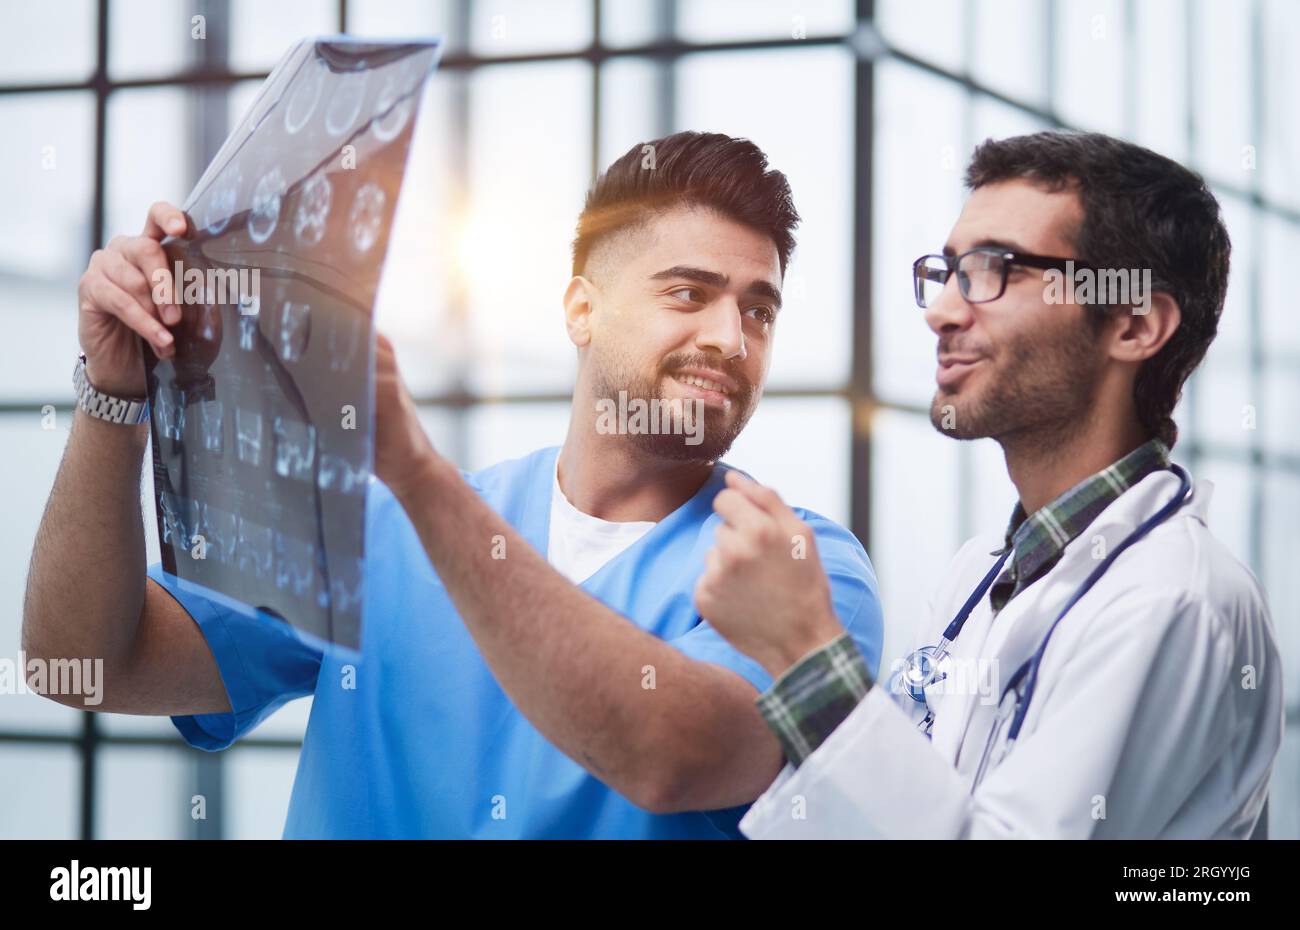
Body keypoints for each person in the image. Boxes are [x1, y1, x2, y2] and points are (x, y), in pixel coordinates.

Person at [23, 131, 883, 839]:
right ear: (581, 309)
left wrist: (416, 472)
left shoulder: (797, 569)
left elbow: (676, 757)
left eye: (759, 309)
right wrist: (114, 392)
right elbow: (86, 666)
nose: (732, 338)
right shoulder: (373, 535)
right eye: (689, 292)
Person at [693, 130, 1283, 839]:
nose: (941, 310)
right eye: (946, 272)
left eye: (993, 269)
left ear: (1134, 324)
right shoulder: (979, 575)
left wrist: (806, 654)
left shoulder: (1174, 600)